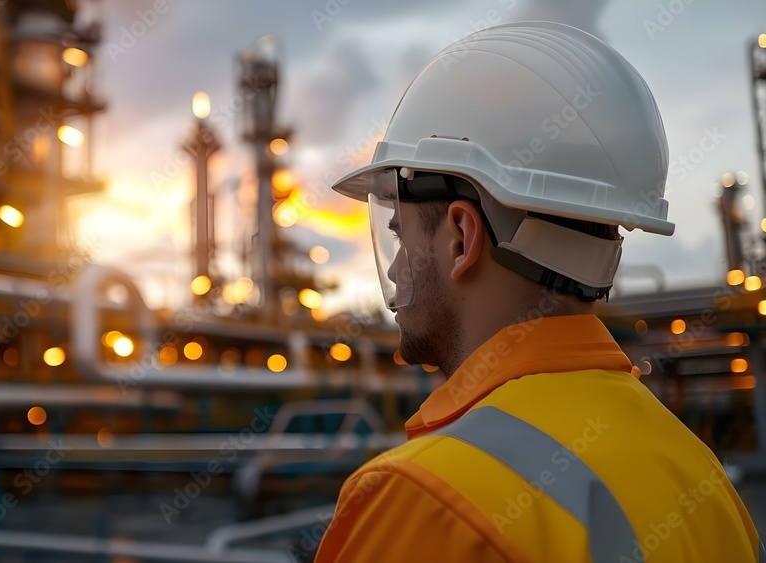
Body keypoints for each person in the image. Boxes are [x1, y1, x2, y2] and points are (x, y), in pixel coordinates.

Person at [314, 21, 762, 562]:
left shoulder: (421, 499)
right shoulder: (706, 481)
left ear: (461, 236)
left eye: (400, 235)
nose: (395, 270)